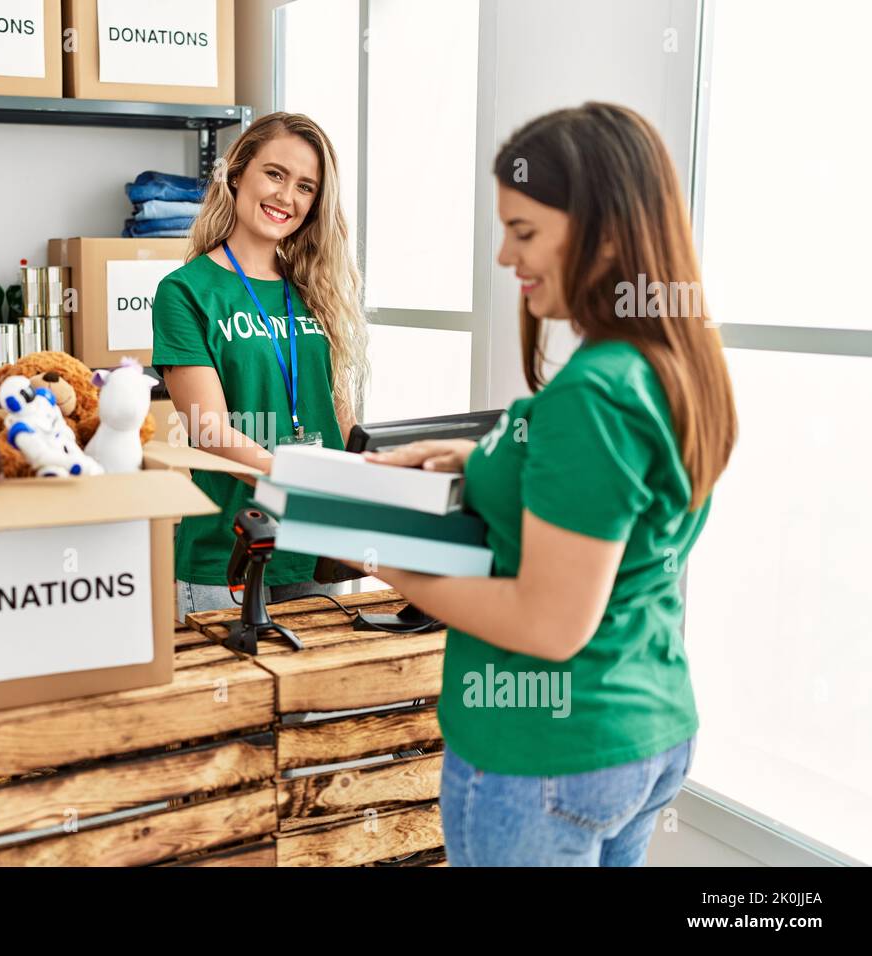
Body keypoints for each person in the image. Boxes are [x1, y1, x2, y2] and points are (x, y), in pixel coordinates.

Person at [360, 103, 737, 866]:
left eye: (524, 231)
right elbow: (621, 503)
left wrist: (387, 558)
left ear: (602, 231)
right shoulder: (668, 362)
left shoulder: (591, 395)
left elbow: (549, 624)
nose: (505, 256)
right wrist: (481, 460)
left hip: (543, 753)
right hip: (645, 726)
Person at [152, 112, 367, 621]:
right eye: (274, 174)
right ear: (236, 174)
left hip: (321, 551)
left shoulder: (319, 290)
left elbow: (342, 419)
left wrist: (375, 483)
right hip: (229, 557)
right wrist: (302, 481)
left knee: (330, 699)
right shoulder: (185, 292)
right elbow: (210, 432)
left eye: (305, 187)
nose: (286, 197)